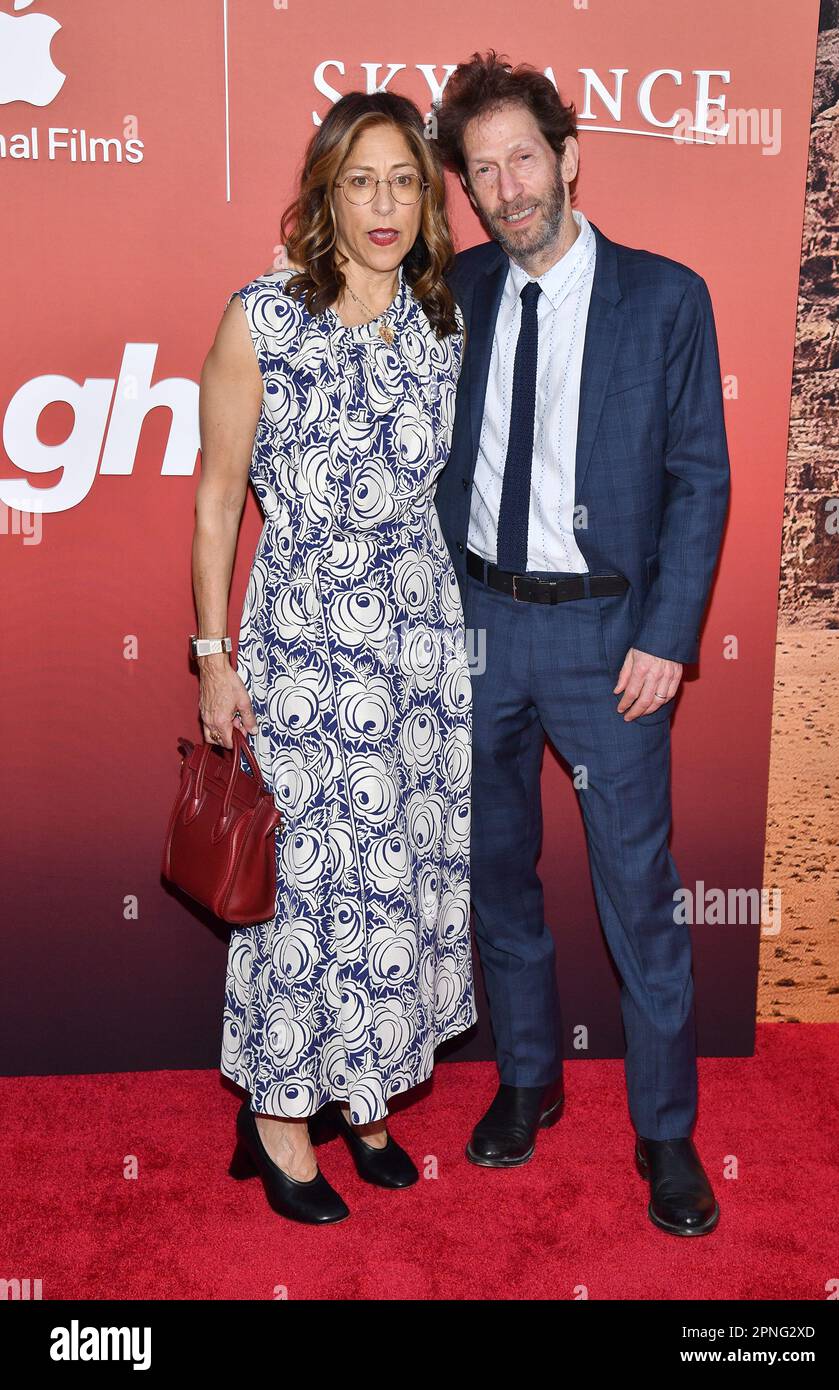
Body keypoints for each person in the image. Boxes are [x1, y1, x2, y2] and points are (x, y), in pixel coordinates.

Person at [433, 52, 730, 1236]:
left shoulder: (664, 297)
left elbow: (700, 481)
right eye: (482, 168)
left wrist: (667, 634)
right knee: (496, 874)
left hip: (611, 638)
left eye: (523, 157)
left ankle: (665, 1135)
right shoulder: (451, 292)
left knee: (637, 896)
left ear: (568, 156)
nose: (506, 186)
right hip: (478, 628)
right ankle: (526, 1079)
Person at [193, 91, 476, 1225]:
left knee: (393, 870)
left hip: (413, 640)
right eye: (360, 179)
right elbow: (218, 499)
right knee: (306, 881)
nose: (383, 204)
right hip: (304, 637)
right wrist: (214, 657)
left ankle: (361, 1094)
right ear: (325, 189)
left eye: (404, 180)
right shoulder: (259, 316)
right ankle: (276, 1119)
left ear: (427, 197)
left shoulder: (440, 323)